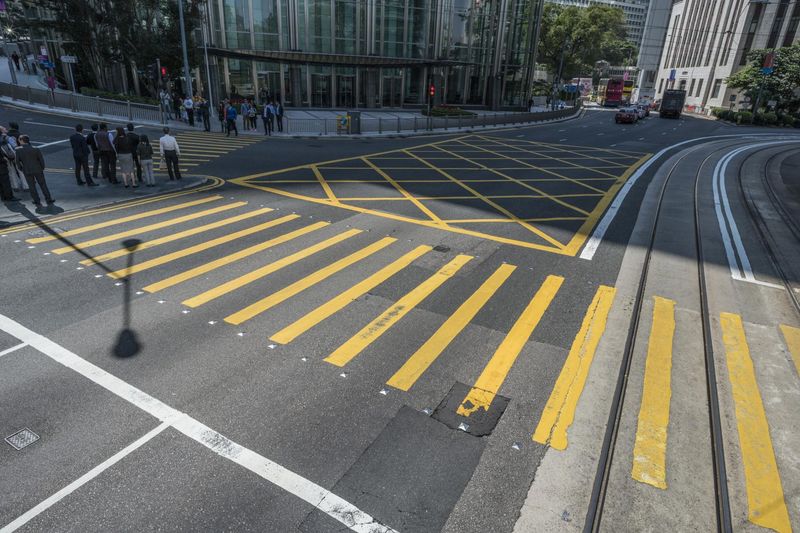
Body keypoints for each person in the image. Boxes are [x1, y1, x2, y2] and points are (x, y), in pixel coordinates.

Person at [15, 135, 54, 206]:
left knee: (32, 186)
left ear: (22, 141)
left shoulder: (18, 150)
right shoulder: (36, 148)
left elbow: (17, 162)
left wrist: (22, 169)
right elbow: (41, 160)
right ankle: (49, 199)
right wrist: (42, 167)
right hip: (38, 169)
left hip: (27, 170)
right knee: (43, 185)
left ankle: (37, 201)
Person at [0, 128, 26, 192]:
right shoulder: (7, 137)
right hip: (14, 155)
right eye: (4, 129)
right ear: (2, 131)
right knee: (20, 170)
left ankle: (15, 186)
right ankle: (26, 186)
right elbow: (15, 145)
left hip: (5, 157)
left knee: (11, 172)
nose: (6, 129)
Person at [0, 133, 19, 202]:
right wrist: (4, 160)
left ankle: (3, 197)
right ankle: (9, 197)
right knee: (6, 183)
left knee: (1, 184)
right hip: (2, 168)